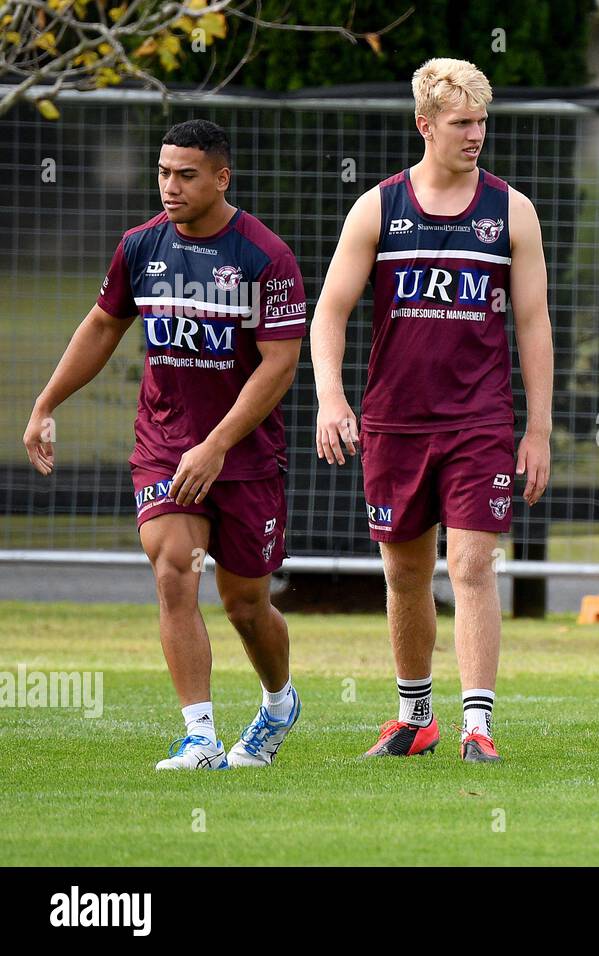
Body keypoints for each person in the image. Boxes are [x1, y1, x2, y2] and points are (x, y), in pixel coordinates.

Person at [23, 120, 306, 770]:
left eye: (186, 174)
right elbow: (102, 326)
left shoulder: (265, 256)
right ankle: (200, 736)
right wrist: (45, 404)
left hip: (244, 458)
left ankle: (277, 702)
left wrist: (217, 445)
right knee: (174, 570)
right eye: (163, 172)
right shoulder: (141, 246)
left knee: (245, 604)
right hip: (164, 445)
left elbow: (278, 366)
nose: (170, 187)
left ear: (221, 177)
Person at [312, 58, 553, 763]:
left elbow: (534, 323)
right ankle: (415, 718)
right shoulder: (378, 207)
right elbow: (329, 312)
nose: (476, 135)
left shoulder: (511, 210)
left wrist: (536, 429)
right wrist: (331, 397)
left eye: (482, 122)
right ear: (426, 126)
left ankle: (479, 725)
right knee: (405, 574)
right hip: (394, 420)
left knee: (473, 564)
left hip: (480, 420)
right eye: (461, 124)